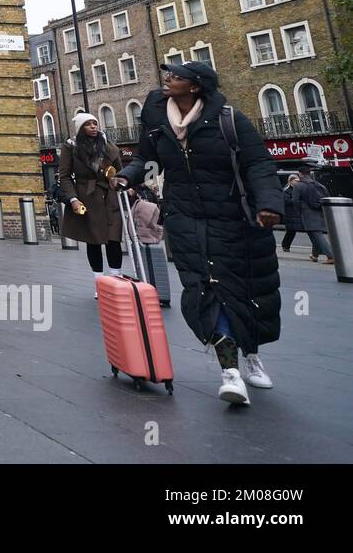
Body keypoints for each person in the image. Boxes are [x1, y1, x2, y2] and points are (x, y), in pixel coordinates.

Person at [117, 61, 283, 407]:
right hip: (185, 220)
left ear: (195, 87)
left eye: (176, 76)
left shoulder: (228, 120)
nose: (168, 79)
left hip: (233, 219)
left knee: (243, 291)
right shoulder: (158, 123)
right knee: (205, 290)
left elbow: (258, 163)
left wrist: (268, 204)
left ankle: (251, 355)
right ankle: (230, 372)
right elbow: (147, 160)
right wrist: (127, 175)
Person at [58, 112, 123, 298]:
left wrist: (124, 183)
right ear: (81, 128)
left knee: (114, 239)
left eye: (95, 123)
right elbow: (64, 176)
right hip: (87, 197)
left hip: (109, 196)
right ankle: (99, 284)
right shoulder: (71, 147)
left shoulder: (108, 146)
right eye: (88, 124)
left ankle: (116, 281)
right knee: (93, 241)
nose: (93, 126)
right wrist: (73, 199)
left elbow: (120, 171)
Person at [292, 165, 336, 263]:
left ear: (300, 174)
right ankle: (315, 255)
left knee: (316, 234)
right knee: (314, 234)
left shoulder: (298, 186)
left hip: (307, 213)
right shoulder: (319, 185)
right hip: (319, 211)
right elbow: (326, 197)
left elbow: (295, 201)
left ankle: (331, 256)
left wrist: (299, 211)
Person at [280, 173, 301, 252]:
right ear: (291, 181)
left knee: (292, 230)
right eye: (296, 181)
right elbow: (286, 201)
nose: (297, 182)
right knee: (291, 230)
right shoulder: (286, 190)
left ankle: (286, 245)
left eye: (298, 181)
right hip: (289, 213)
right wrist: (295, 200)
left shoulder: (297, 189)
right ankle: (285, 245)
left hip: (295, 213)